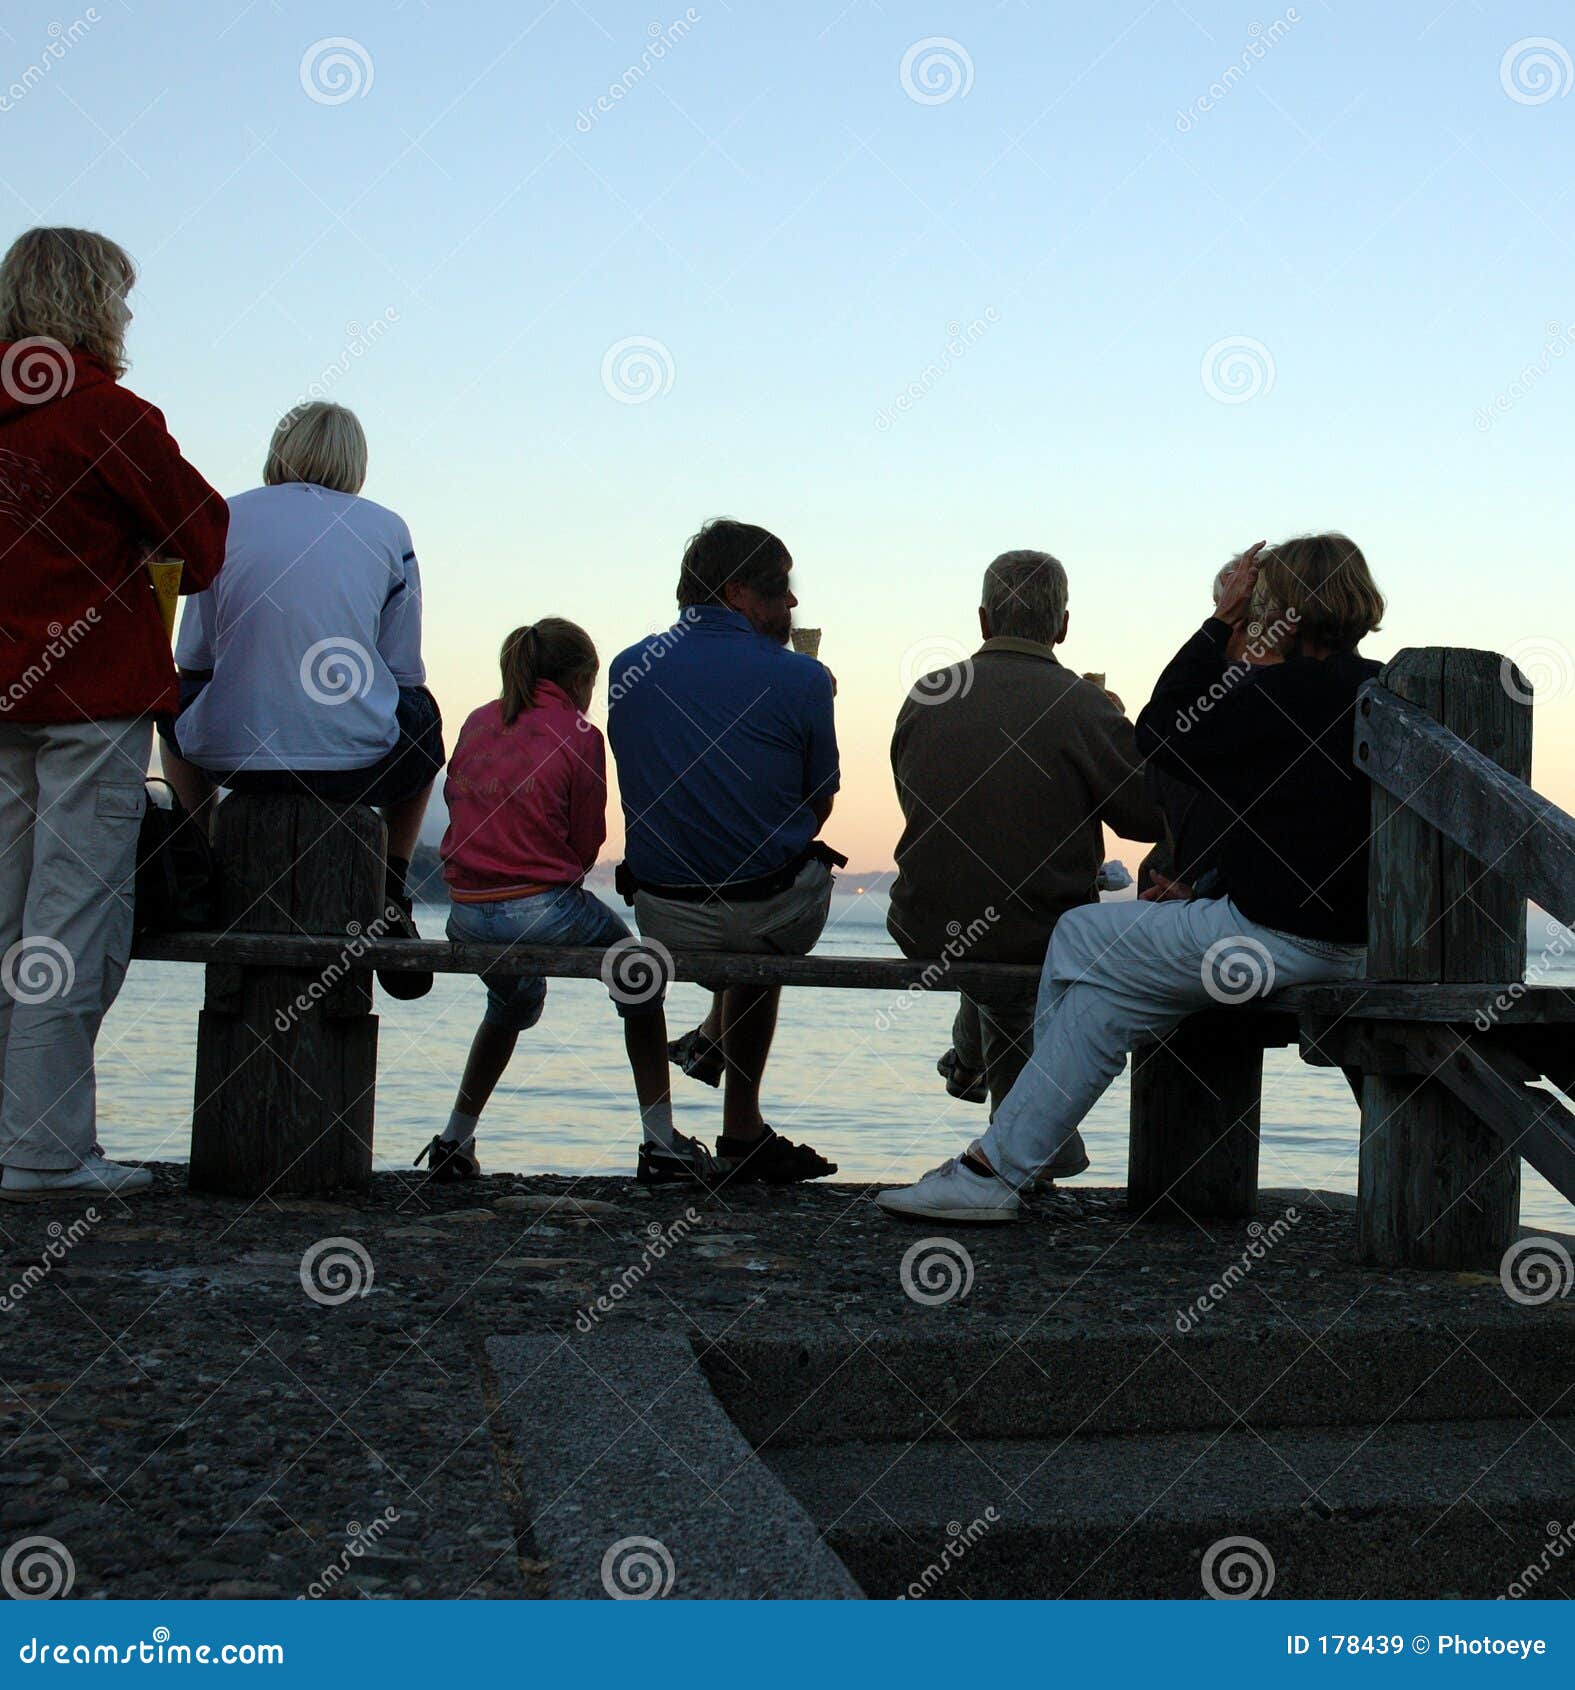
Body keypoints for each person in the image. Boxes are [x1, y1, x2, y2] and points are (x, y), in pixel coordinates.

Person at [876, 534, 1384, 1223]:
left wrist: (1217, 626)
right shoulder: (1368, 688)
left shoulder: (1286, 690)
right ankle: (992, 1171)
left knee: (1081, 934)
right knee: (1101, 1004)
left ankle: (1015, 1154)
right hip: (1340, 934)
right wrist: (1204, 886)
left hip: (1283, 939)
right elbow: (1306, 828)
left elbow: (1164, 732)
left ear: (1281, 607)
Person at [0, 226, 228, 1201]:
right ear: (90, 301)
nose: (128, 315)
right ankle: (45, 1154)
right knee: (69, 930)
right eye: (121, 298)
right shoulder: (111, 417)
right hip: (91, 701)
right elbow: (205, 541)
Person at [158, 401, 444, 998]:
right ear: (355, 462)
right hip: (352, 770)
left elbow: (196, 664)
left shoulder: (224, 518)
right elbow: (402, 672)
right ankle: (391, 887)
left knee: (174, 694)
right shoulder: (388, 529)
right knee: (424, 715)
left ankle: (197, 856)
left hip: (236, 763)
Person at [887, 550, 1161, 1129]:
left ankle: (971, 1067)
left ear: (984, 621)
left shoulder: (927, 692)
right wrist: (1119, 731)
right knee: (1018, 936)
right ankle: (1030, 1144)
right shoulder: (1081, 705)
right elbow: (1147, 817)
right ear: (1063, 625)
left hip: (924, 923)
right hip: (1034, 931)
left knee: (991, 923)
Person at [607, 518, 842, 1184]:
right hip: (766, 915)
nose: (791, 603)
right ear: (738, 593)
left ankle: (712, 1079)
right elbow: (818, 800)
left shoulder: (629, 667)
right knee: (768, 900)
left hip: (663, 910)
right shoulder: (801, 679)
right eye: (779, 589)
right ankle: (741, 1125)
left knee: (754, 880)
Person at [429, 620, 703, 1183]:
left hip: (465, 910)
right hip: (542, 906)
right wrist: (553, 877)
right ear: (580, 678)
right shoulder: (578, 734)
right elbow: (586, 842)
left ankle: (454, 1140)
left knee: (509, 1006)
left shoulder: (479, 720)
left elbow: (457, 802)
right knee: (640, 978)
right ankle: (660, 1143)